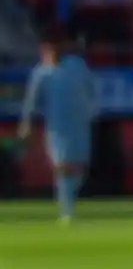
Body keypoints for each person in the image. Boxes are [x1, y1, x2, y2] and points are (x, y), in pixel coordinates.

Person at [18, 30, 98, 224]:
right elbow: (31, 101)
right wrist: (26, 124)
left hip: (79, 125)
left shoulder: (77, 66)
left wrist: (92, 110)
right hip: (56, 127)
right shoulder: (41, 72)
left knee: (79, 168)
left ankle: (69, 196)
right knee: (62, 166)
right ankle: (66, 210)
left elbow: (91, 89)